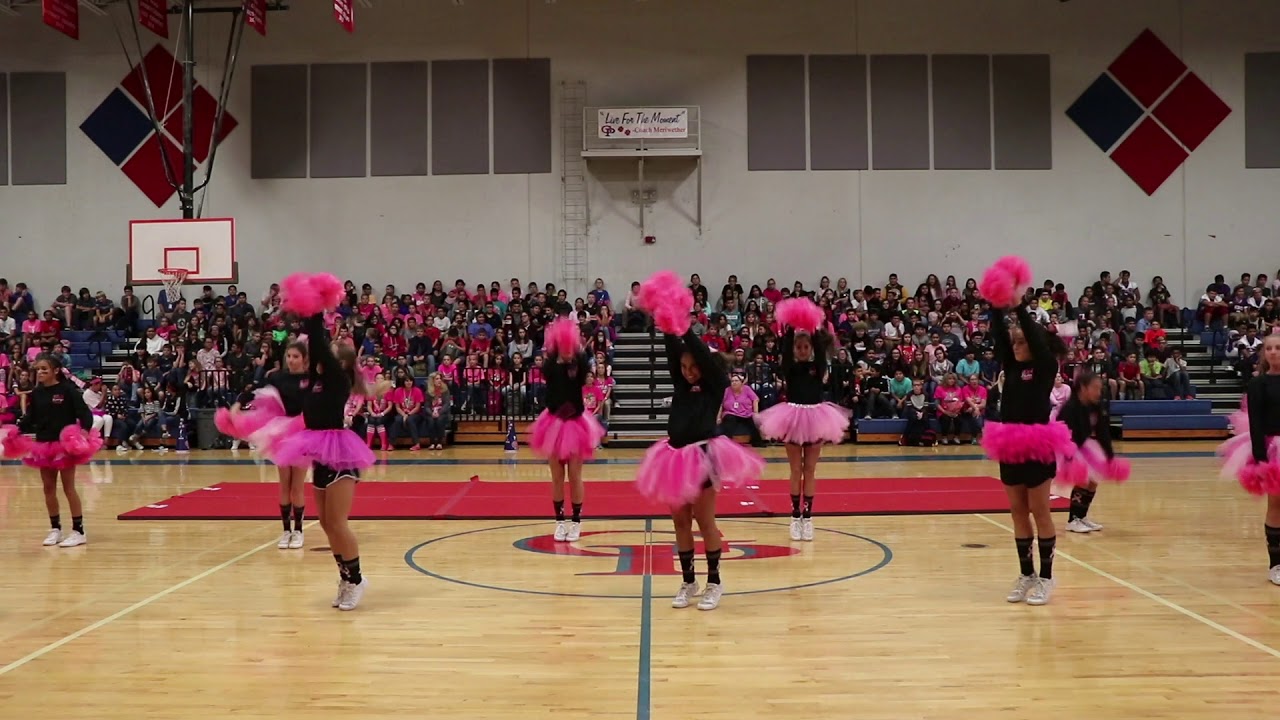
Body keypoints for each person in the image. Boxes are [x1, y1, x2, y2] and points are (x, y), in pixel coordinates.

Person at [633, 270, 764, 612]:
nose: (689, 372)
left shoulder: (715, 384)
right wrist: (664, 318)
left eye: (694, 368)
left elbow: (698, 354)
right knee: (679, 521)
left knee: (705, 522)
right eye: (685, 368)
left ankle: (714, 582)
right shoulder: (680, 383)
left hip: (703, 456)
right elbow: (672, 351)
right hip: (674, 456)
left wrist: (683, 327)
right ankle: (688, 581)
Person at [979, 257, 1071, 606]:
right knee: (1017, 512)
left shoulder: (1045, 367)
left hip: (1037, 443)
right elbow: (1001, 335)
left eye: (1021, 343)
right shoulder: (1011, 367)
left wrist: (1018, 305)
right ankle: (1026, 573)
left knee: (1039, 510)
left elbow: (1030, 333)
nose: (1016, 346)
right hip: (1009, 443)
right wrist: (996, 303)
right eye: (1014, 344)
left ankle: (1047, 577)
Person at [755, 298, 851, 542]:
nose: (802, 350)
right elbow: (785, 344)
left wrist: (812, 324)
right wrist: (790, 325)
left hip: (816, 417)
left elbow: (820, 343)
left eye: (805, 347)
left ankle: (808, 517)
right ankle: (794, 515)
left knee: (810, 470)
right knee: (795, 469)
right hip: (793, 418)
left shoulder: (818, 366)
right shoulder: (789, 366)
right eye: (798, 348)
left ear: (810, 349)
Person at [3, 353, 100, 547]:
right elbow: (31, 417)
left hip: (65, 445)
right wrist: (17, 430)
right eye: (38, 369)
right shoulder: (37, 392)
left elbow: (84, 414)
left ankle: (78, 530)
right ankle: (55, 528)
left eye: (44, 369)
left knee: (68, 488)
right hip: (43, 444)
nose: (40, 372)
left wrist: (84, 432)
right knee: (48, 488)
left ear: (55, 371)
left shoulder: (68, 390)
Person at [527, 317, 604, 542]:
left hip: (576, 424)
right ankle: (559, 522)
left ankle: (576, 521)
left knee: (576, 475)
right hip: (553, 424)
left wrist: (578, 344)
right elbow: (548, 358)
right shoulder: (550, 365)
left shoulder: (579, 364)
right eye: (565, 348)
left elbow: (584, 357)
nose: (569, 352)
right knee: (557, 477)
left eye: (572, 348)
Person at [1218, 334, 1280, 583]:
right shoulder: (1258, 384)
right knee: (1276, 503)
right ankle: (1276, 564)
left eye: (1278, 348)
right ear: (1264, 353)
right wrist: (1260, 458)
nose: (1274, 352)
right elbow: (1255, 423)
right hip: (1272, 447)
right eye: (1270, 348)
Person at [1055, 371, 1127, 534]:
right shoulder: (1070, 408)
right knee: (1083, 480)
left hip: (1085, 445)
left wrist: (1109, 456)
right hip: (1069, 447)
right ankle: (1073, 519)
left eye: (1099, 388)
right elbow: (1063, 434)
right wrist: (1070, 457)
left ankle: (1082, 516)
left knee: (1094, 480)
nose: (1098, 392)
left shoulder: (1096, 406)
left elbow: (1103, 432)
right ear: (1083, 388)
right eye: (1095, 388)